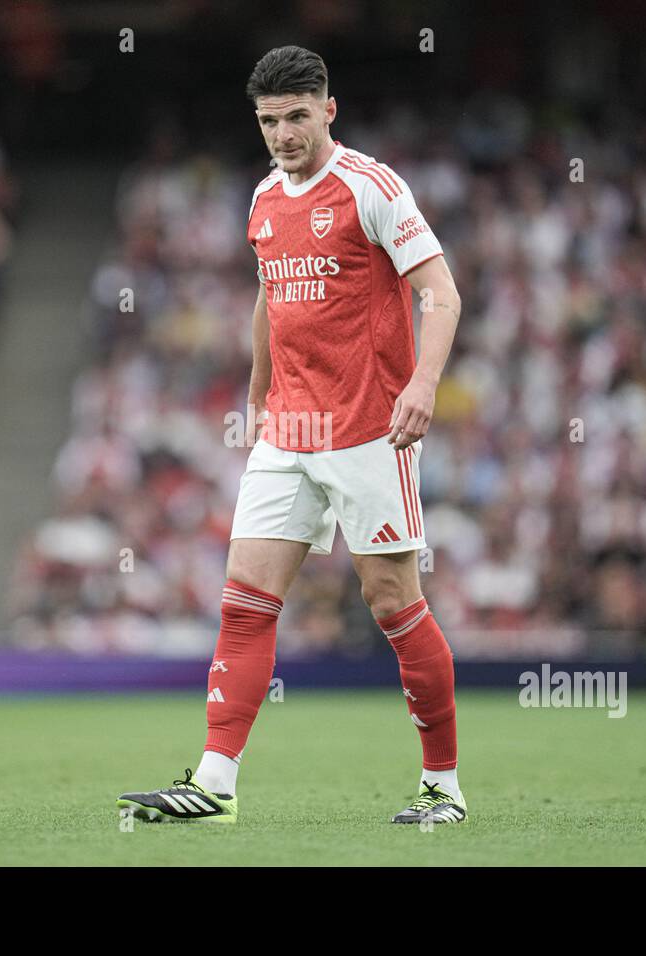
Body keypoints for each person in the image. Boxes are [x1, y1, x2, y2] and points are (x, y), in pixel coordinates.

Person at [117, 46, 465, 825]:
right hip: (289, 430)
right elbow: (270, 300)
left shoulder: (372, 187)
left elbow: (440, 295)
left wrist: (423, 385)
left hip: (369, 430)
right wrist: (256, 395)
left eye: (297, 116)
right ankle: (213, 783)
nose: (283, 133)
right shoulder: (265, 198)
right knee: (244, 602)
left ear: (328, 110)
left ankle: (443, 786)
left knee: (391, 603)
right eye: (270, 121)